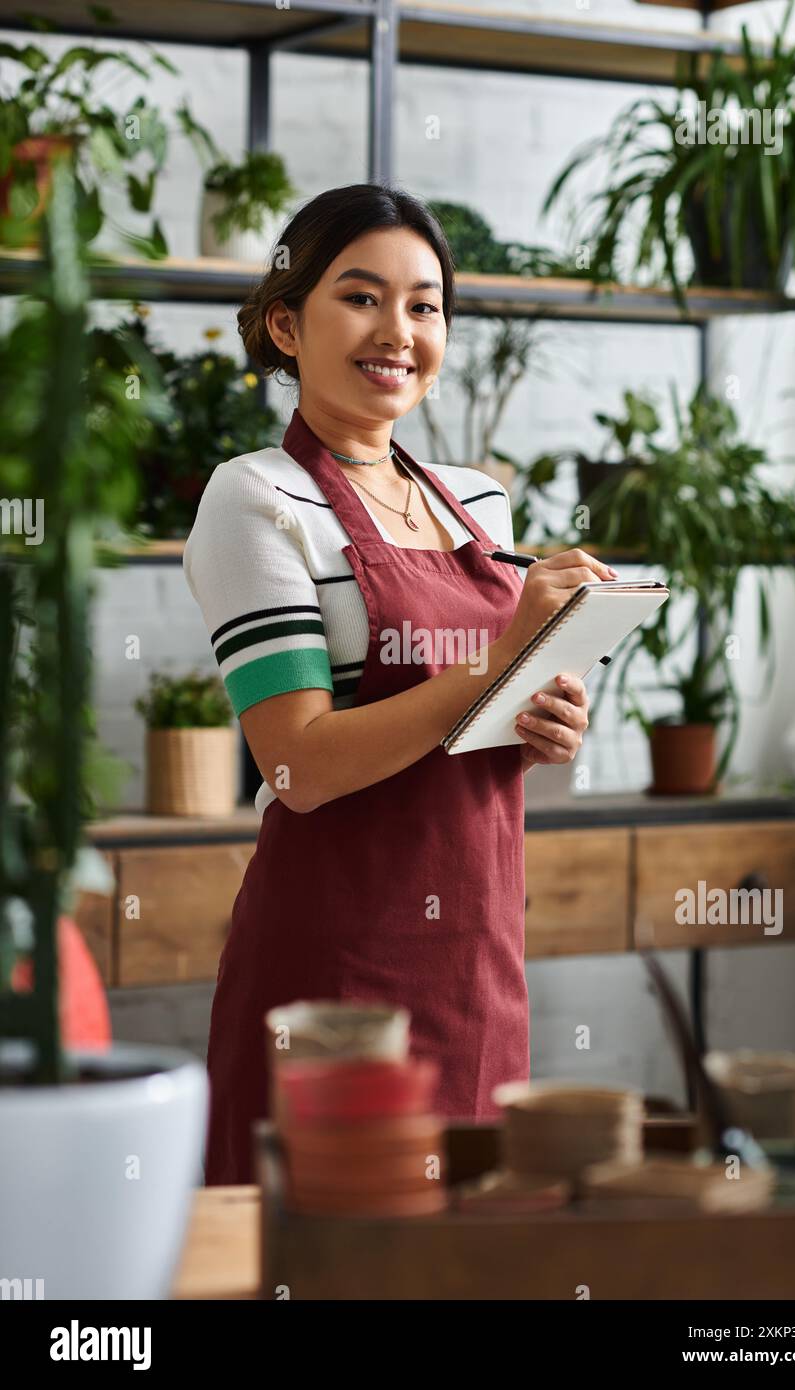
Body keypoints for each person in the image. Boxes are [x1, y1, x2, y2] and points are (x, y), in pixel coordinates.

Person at [183, 183, 612, 1185]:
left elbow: (477, 730)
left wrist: (541, 716)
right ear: (287, 322)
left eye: (425, 306)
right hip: (333, 979)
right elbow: (299, 763)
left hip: (479, 965)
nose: (398, 331)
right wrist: (501, 658)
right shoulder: (256, 499)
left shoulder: (479, 501)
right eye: (362, 297)